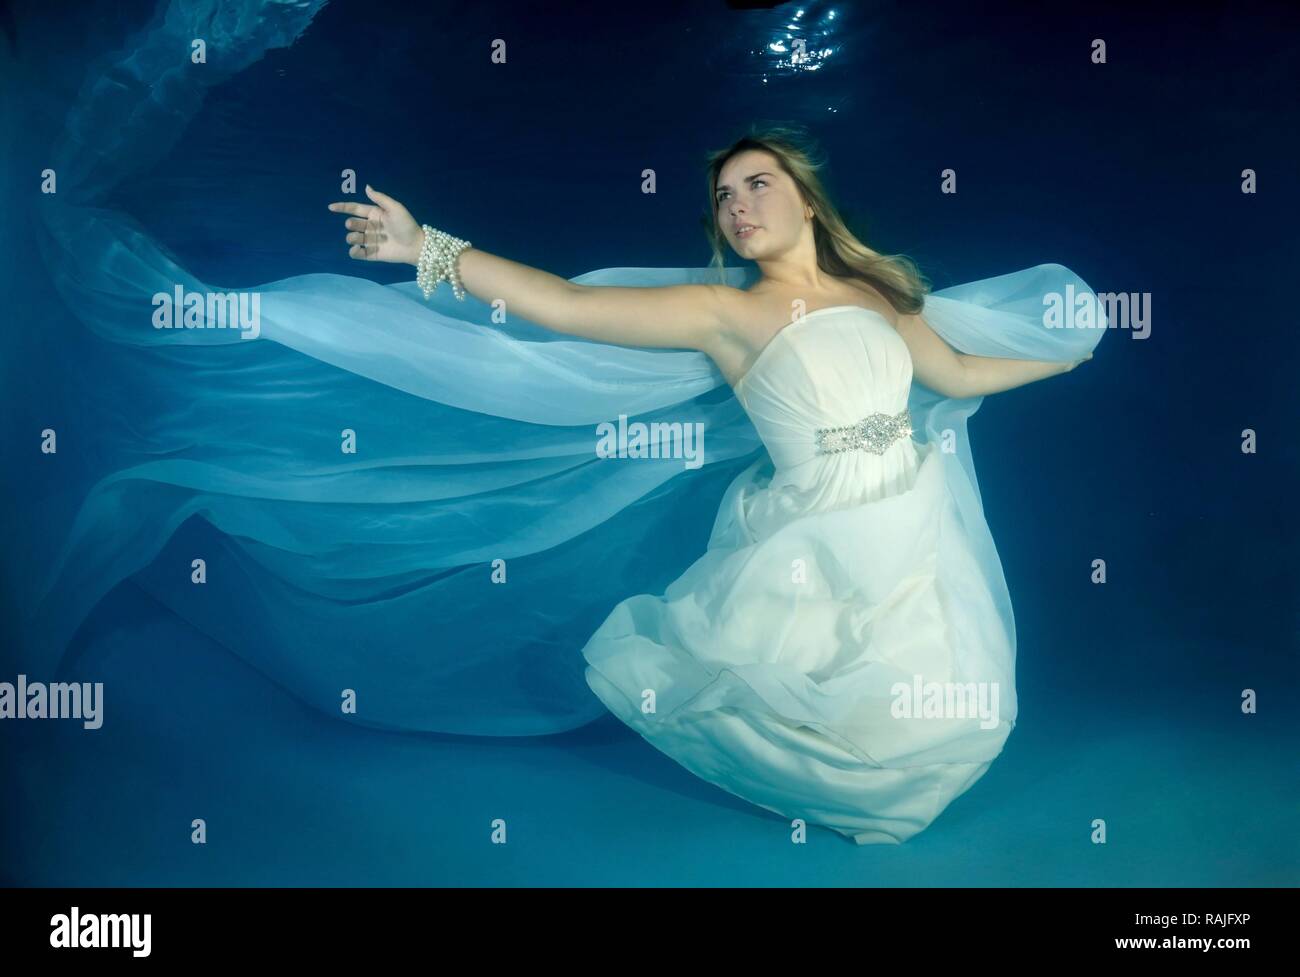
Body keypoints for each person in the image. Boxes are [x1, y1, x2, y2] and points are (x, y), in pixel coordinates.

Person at [327, 124, 1099, 843]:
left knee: (939, 693)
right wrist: (423, 245)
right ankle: (829, 784)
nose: (738, 207)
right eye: (724, 197)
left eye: (758, 185)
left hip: (910, 508)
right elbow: (566, 304)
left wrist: (1065, 355)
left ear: (806, 198)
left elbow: (959, 372)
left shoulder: (877, 297)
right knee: (812, 689)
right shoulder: (721, 311)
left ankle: (888, 784)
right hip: (812, 529)